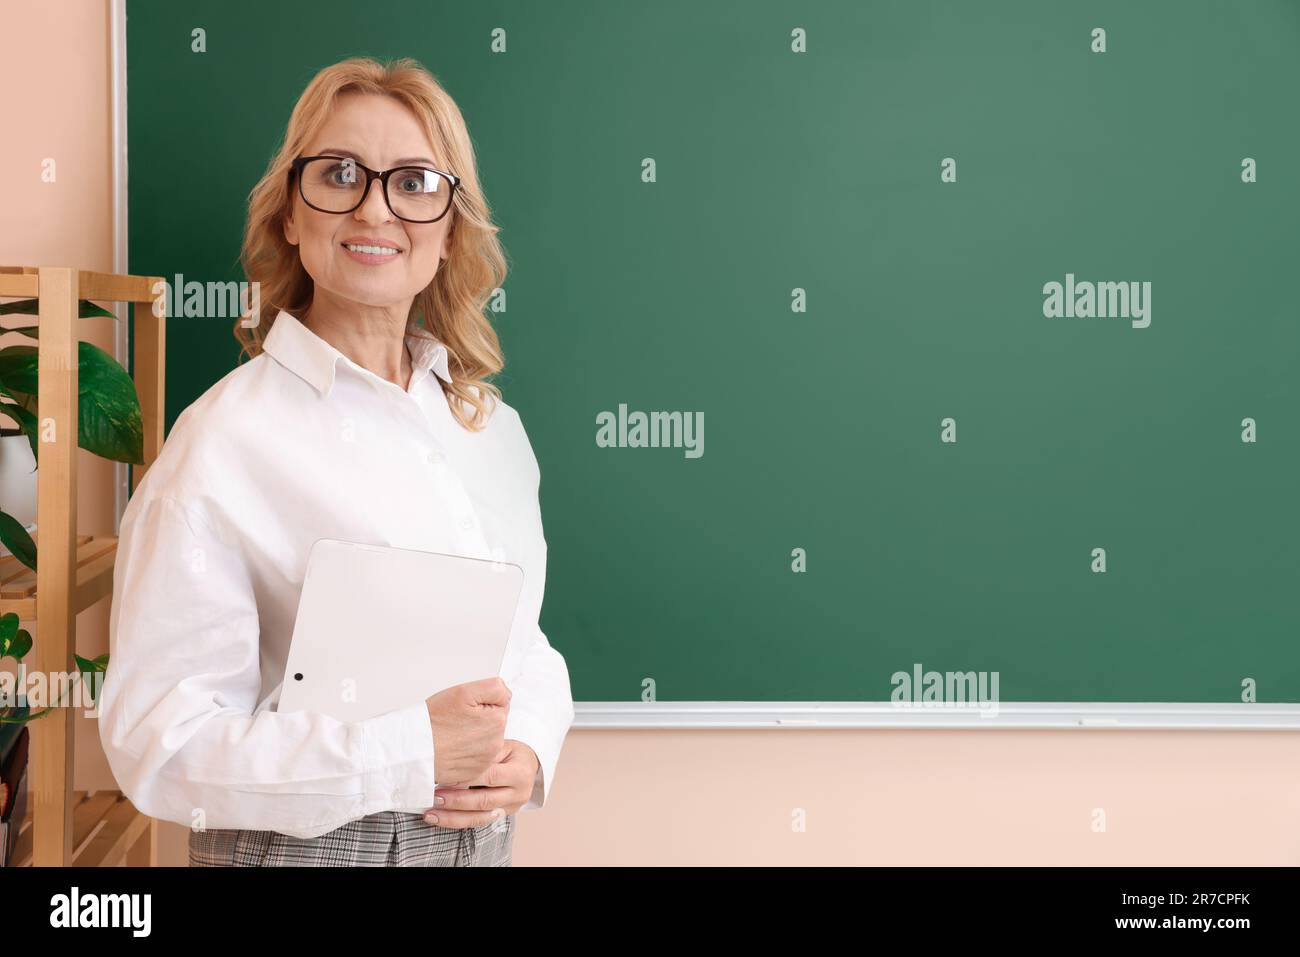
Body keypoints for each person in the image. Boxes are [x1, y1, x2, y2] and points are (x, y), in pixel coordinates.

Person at [98, 56, 574, 867]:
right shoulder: (219, 445)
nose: (375, 208)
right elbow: (161, 743)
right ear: (290, 211)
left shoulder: (489, 427)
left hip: (479, 846)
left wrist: (528, 740)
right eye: (341, 173)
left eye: (414, 181)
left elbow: (522, 640)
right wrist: (407, 752)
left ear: (451, 225)